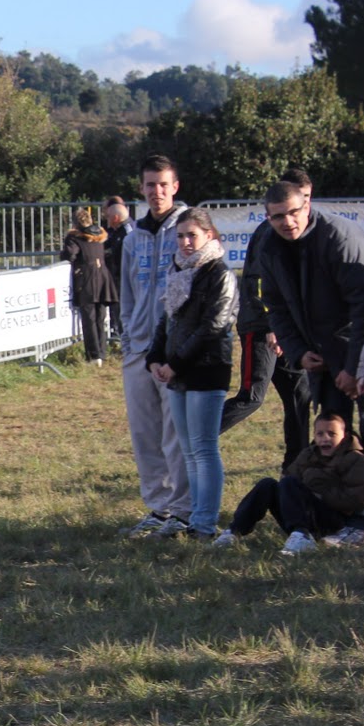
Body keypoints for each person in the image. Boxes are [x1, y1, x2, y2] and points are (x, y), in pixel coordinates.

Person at [248, 179, 364, 451]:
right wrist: (298, 352)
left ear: (307, 206)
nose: (288, 222)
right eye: (278, 216)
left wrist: (353, 368)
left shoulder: (339, 238)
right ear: (267, 217)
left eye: (293, 212)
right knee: (334, 444)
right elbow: (276, 306)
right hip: (322, 358)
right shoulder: (268, 247)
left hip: (363, 354)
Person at [145, 208, 237, 541]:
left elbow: (213, 326)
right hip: (177, 371)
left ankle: (204, 523)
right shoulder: (178, 269)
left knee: (203, 448)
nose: (185, 242)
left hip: (207, 369)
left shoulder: (219, 273)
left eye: (192, 235)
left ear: (209, 236)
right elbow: (166, 319)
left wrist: (176, 364)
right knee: (187, 450)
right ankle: (196, 519)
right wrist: (154, 358)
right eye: (181, 236)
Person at [118, 155, 193, 538]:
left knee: (176, 431)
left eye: (163, 184)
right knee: (144, 431)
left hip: (176, 351)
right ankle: (158, 508)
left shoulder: (189, 229)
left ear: (175, 186)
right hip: (138, 350)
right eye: (150, 185)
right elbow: (127, 293)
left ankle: (183, 509)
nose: (157, 192)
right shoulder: (133, 239)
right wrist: (130, 340)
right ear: (142, 188)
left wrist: (181, 346)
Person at [221, 169, 313, 471]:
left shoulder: (301, 233)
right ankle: (191, 441)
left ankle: (295, 467)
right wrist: (274, 325)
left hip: (287, 330)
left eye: (309, 200)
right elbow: (260, 283)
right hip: (261, 328)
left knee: (300, 396)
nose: (305, 208)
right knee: (252, 396)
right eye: (303, 199)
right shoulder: (269, 234)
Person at [215, 413, 364, 555]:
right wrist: (305, 491)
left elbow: (358, 500)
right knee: (268, 484)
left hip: (334, 523)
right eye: (320, 433)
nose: (325, 438)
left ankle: (302, 536)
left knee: (289, 483)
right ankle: (233, 532)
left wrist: (321, 492)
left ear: (344, 436)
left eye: (332, 434)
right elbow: (289, 484)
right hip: (302, 513)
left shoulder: (358, 460)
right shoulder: (308, 455)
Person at [61, 206, 113, 365]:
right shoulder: (100, 235)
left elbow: (70, 254)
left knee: (88, 317)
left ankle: (93, 355)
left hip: (86, 278)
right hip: (102, 276)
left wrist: (64, 250)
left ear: (76, 223)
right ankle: (102, 353)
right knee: (100, 316)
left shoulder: (75, 237)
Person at [103, 200, 130, 347]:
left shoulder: (127, 231)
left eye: (108, 217)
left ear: (115, 218)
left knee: (123, 310)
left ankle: (126, 340)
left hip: (125, 279)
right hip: (117, 277)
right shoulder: (117, 232)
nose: (106, 220)